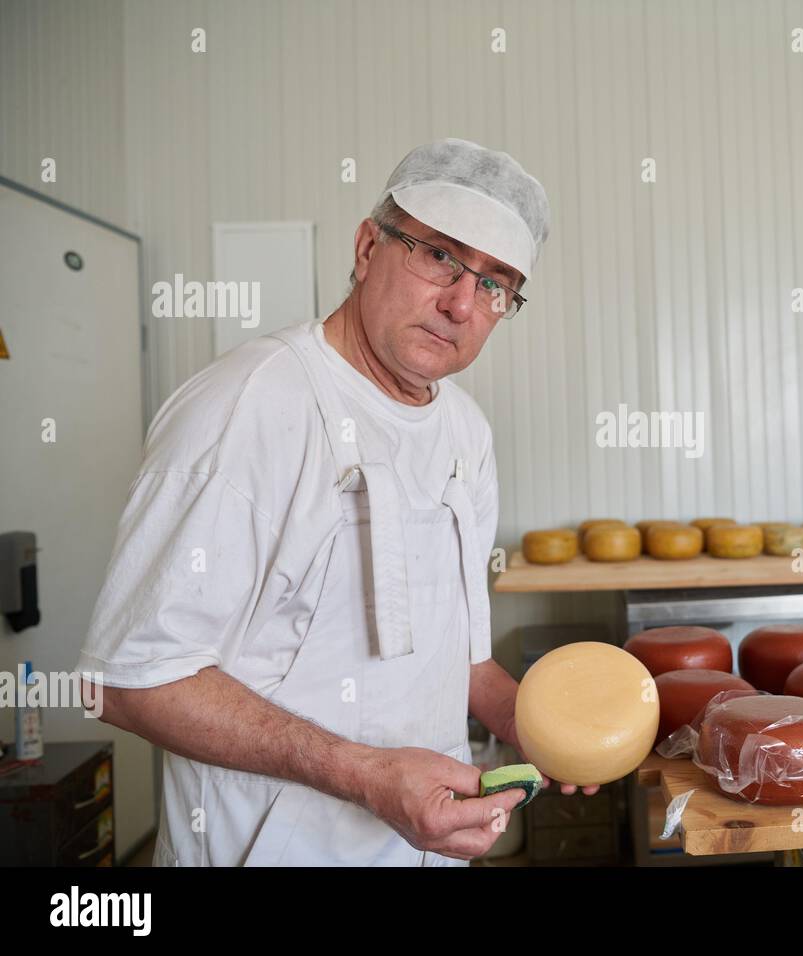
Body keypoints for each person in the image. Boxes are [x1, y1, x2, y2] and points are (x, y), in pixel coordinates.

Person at [78, 138, 593, 866]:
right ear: (366, 247)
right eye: (440, 256)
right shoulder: (250, 406)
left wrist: (540, 725)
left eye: (494, 284)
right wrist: (365, 774)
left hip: (426, 849)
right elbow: (132, 681)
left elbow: (462, 661)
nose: (459, 303)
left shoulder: (464, 433)